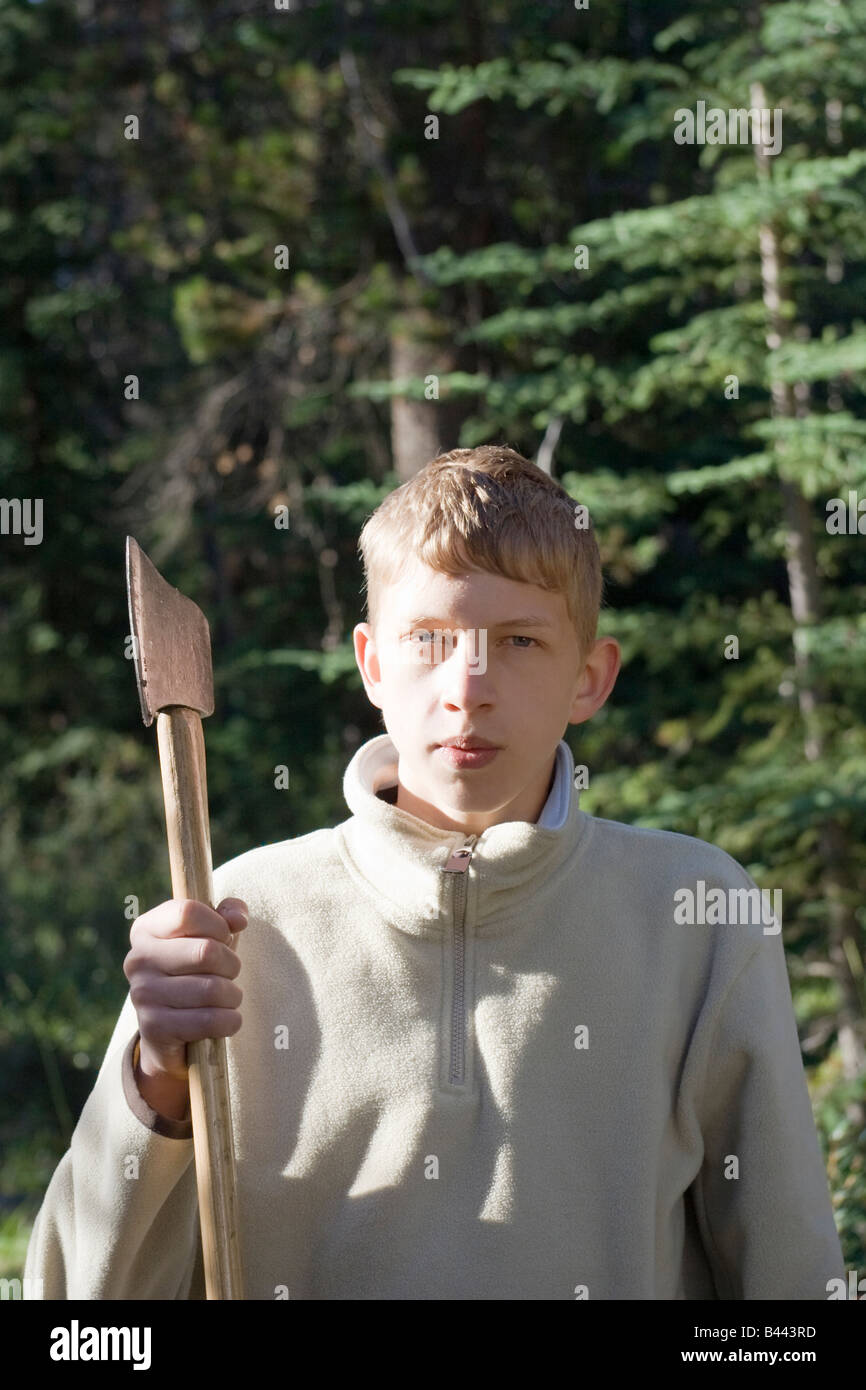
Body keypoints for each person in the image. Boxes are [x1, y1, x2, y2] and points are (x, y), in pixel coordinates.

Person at [24, 444, 845, 1299]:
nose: (469, 686)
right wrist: (157, 1081)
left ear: (589, 678)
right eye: (430, 639)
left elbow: (787, 1288)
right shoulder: (234, 921)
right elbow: (79, 1309)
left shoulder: (695, 915)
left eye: (520, 640)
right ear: (372, 664)